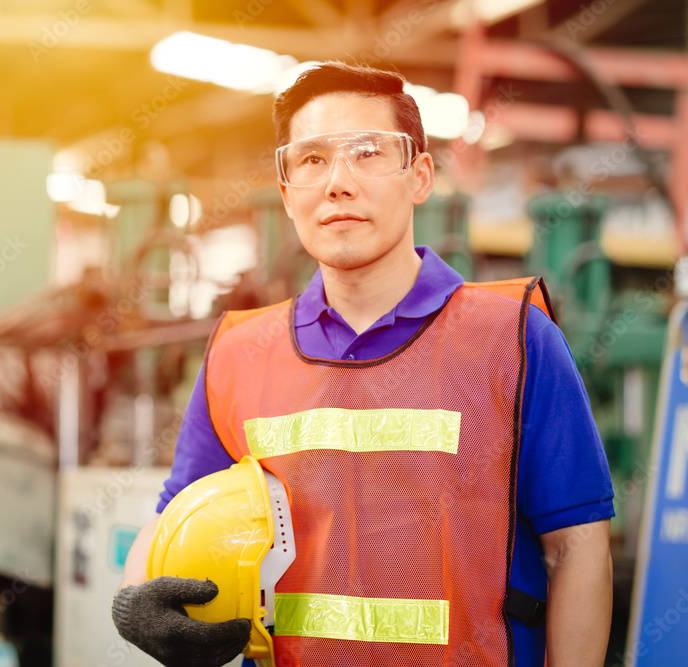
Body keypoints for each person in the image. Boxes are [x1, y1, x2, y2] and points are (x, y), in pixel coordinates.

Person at [112, 62, 614, 667]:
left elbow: (578, 548)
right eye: (312, 160)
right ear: (286, 192)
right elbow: (177, 514)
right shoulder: (238, 355)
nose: (338, 183)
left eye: (369, 153)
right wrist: (134, 596)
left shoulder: (513, 340)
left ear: (420, 177)